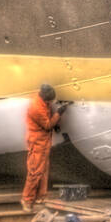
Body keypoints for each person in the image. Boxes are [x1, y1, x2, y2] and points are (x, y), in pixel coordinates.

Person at [21, 83, 62, 212]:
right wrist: (58, 114)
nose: (51, 103)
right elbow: (47, 125)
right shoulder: (36, 107)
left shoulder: (42, 101)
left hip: (43, 142)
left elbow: (47, 116)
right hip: (37, 142)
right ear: (45, 98)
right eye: (49, 101)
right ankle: (27, 200)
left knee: (43, 171)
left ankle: (41, 196)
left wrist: (55, 123)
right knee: (35, 171)